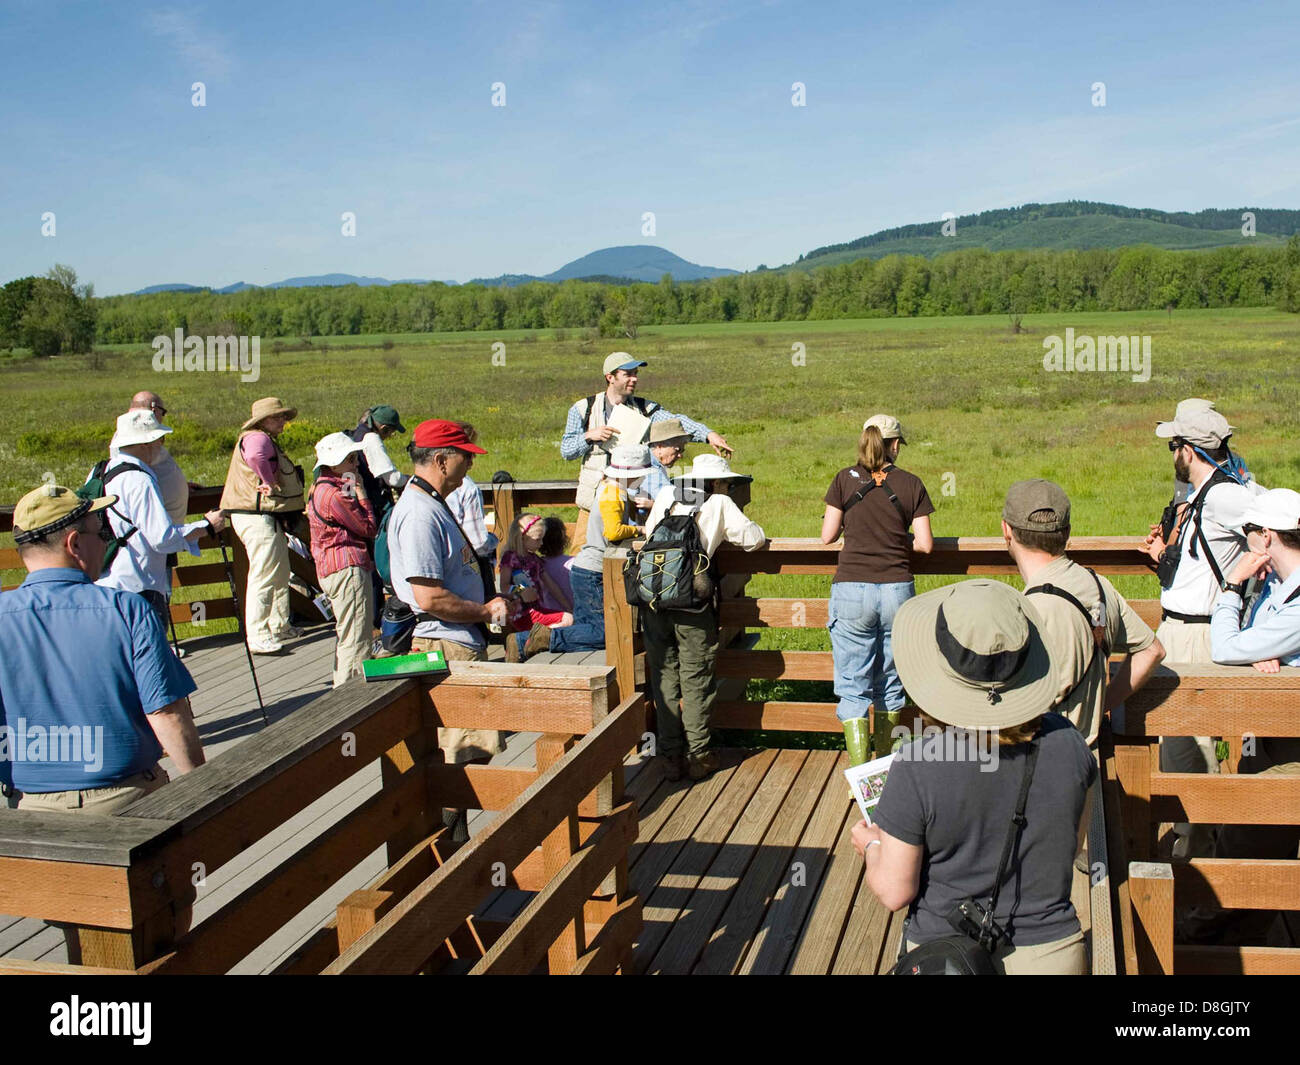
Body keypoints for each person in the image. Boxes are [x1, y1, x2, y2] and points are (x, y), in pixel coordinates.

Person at [853, 580, 1096, 975]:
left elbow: (894, 891)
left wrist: (871, 846)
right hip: (1054, 955)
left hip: (946, 955)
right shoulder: (1072, 745)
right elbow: (1069, 844)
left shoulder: (917, 764)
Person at [2, 483, 205, 815]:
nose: (107, 544)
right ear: (75, 543)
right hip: (127, 799)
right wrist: (201, 788)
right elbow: (165, 712)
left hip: (29, 809)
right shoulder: (128, 610)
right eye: (104, 535)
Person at [1142, 407, 1264, 856]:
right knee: (1178, 746)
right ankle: (1193, 846)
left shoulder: (1224, 497)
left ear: (1188, 450)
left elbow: (1278, 522)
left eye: (1173, 445)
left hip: (1199, 636)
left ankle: (1200, 858)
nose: (1170, 452)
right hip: (1179, 630)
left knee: (1193, 749)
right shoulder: (1199, 494)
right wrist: (1165, 557)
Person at [387, 418, 510, 840]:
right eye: (465, 458)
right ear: (441, 459)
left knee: (468, 754)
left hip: (456, 641)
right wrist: (484, 611)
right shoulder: (421, 513)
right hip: (446, 644)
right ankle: (451, 860)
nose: (469, 467)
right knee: (458, 757)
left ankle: (455, 856)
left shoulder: (430, 503)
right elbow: (430, 598)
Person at [1002, 479, 1165, 747]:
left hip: (1042, 767)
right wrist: (1101, 703)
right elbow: (1152, 650)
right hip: (1088, 762)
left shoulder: (1031, 611)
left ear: (1006, 530)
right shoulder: (1099, 586)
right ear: (1067, 532)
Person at [643, 454, 765, 781]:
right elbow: (753, 540)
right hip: (693, 605)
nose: (727, 487)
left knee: (665, 677)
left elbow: (646, 532)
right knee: (696, 679)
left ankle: (670, 756)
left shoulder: (668, 495)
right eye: (725, 482)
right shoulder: (720, 502)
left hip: (655, 599)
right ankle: (699, 755)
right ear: (714, 482)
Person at [820, 414, 934, 727]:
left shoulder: (844, 478)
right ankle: (886, 770)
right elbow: (925, 545)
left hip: (852, 590)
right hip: (897, 590)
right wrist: (898, 537)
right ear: (895, 445)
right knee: (890, 684)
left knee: (853, 688)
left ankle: (860, 770)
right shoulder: (911, 483)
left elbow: (827, 536)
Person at [560, 353, 732, 550]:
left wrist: (708, 434)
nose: (635, 379)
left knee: (628, 559)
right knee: (584, 553)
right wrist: (590, 436)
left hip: (633, 504)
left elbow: (675, 422)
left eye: (636, 373)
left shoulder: (646, 408)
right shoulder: (584, 409)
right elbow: (566, 451)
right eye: (628, 374)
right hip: (594, 504)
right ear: (610, 377)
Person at [95, 410, 225, 630]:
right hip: (140, 584)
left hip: (106, 580)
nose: (162, 445)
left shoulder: (102, 470)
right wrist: (206, 526)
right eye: (160, 439)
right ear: (146, 443)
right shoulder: (139, 480)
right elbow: (162, 538)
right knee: (150, 656)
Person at [541, 444, 653, 657]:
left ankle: (530, 641)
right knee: (605, 631)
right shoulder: (613, 495)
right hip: (594, 571)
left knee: (585, 628)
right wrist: (641, 528)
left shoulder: (609, 488)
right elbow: (613, 531)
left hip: (585, 569)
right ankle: (542, 638)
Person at [219, 397, 306, 654]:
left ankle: (279, 624)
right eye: (278, 417)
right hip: (255, 516)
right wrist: (268, 480)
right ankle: (257, 634)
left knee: (279, 569)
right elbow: (257, 456)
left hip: (261, 515)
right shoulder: (258, 438)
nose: (283, 421)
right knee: (265, 572)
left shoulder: (257, 436)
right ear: (264, 420)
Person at [308, 433, 378, 688]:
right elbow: (367, 527)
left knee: (347, 634)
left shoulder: (320, 487)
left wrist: (352, 487)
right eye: (351, 459)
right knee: (357, 639)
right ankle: (350, 697)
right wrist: (362, 494)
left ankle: (343, 686)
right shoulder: (335, 494)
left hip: (330, 567)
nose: (357, 463)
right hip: (347, 567)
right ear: (335, 464)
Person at [499, 514, 575, 662]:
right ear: (522, 537)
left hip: (536, 609)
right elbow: (504, 586)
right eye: (538, 539)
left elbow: (551, 586)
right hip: (521, 613)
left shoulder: (534, 559)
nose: (541, 543)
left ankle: (527, 639)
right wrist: (521, 591)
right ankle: (530, 639)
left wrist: (567, 606)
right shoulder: (510, 557)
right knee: (568, 619)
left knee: (568, 616)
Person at [1166, 399, 1252, 504]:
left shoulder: (1191, 466)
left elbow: (1182, 509)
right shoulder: (1234, 459)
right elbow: (1249, 487)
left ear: (1187, 451)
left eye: (1175, 445)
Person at [640, 417, 690, 504]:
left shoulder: (648, 461)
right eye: (677, 450)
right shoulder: (650, 469)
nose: (680, 455)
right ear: (659, 447)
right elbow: (671, 501)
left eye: (682, 451)